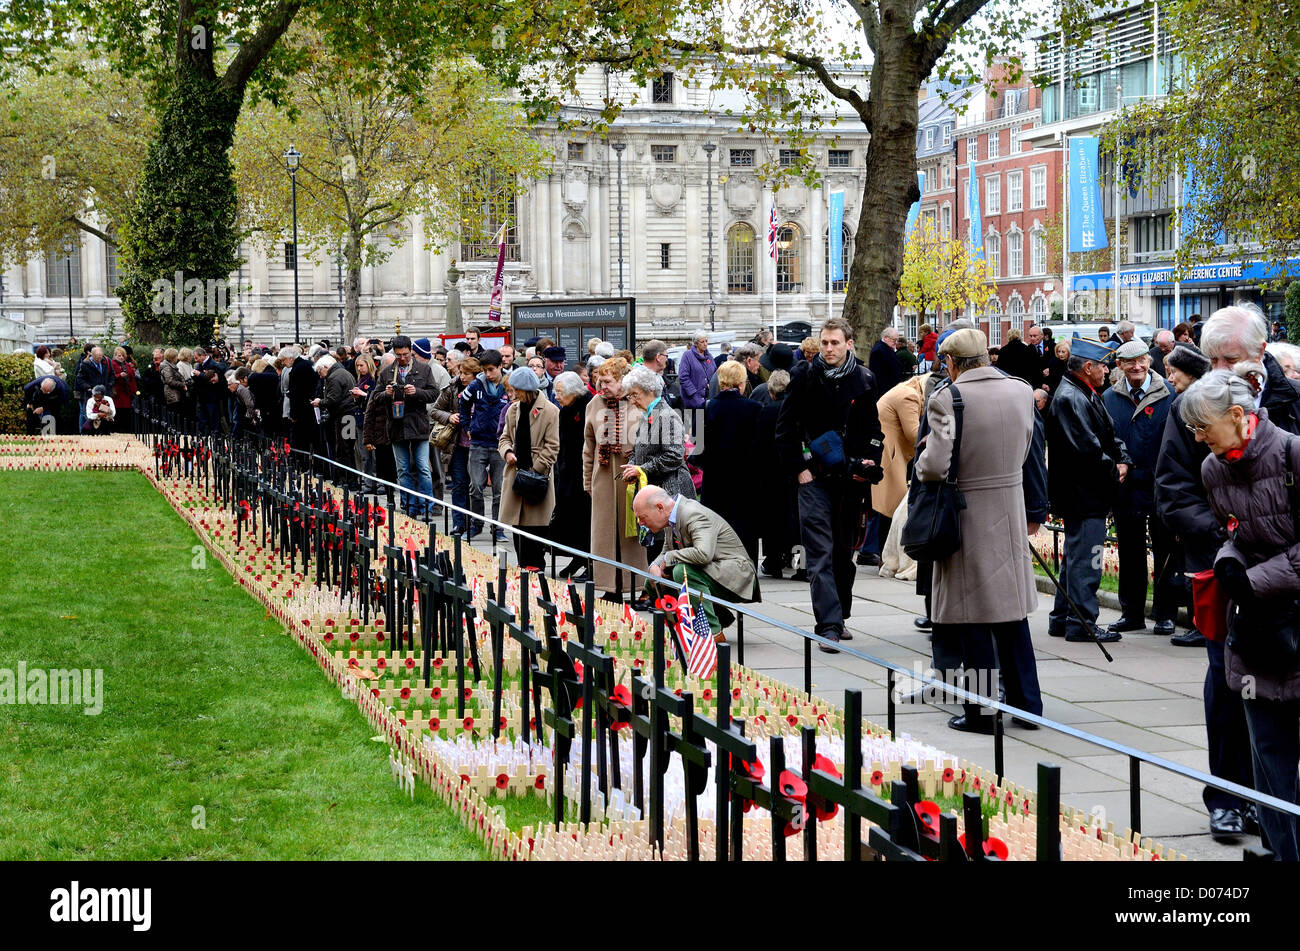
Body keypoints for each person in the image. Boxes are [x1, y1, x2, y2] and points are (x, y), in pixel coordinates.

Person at [1191, 366, 1300, 859]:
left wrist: (1253, 580)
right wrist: (1229, 563)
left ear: (1237, 415)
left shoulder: (1293, 455)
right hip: (1256, 639)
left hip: (1294, 626)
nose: (1198, 437)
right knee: (1269, 771)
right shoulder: (1213, 469)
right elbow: (1232, 534)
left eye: (1203, 427)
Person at [914, 328, 1046, 733]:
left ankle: (982, 713)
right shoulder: (1022, 391)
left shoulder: (948, 399)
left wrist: (920, 465)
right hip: (1009, 503)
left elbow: (935, 465)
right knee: (1010, 612)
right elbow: (1027, 448)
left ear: (951, 363)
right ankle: (1027, 704)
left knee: (971, 616)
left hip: (967, 511)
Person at [1154, 342, 1250, 841]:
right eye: (1215, 359)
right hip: (1219, 568)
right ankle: (1228, 796)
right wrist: (1226, 538)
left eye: (1232, 359)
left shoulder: (1283, 399)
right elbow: (1172, 489)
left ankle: (1270, 798)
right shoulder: (1190, 412)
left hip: (1282, 575)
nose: (1222, 369)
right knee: (1226, 677)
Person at [776, 316, 884, 652]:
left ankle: (840, 614)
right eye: (824, 342)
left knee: (842, 553)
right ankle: (829, 625)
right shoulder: (804, 376)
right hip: (814, 478)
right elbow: (785, 428)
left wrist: (869, 460)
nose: (829, 348)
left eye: (835, 342)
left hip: (849, 480)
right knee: (820, 553)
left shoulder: (865, 379)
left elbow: (874, 431)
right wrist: (799, 469)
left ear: (849, 344)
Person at [1045, 338, 1131, 642]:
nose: (1107, 370)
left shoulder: (1081, 392)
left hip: (1083, 492)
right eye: (1103, 365)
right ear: (1089, 367)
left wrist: (1122, 458)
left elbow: (1108, 435)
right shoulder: (1072, 397)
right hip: (1084, 493)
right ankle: (1081, 622)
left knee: (1076, 556)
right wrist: (1114, 468)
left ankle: (1063, 617)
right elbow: (1087, 448)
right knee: (1088, 558)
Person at [1102, 341, 1180, 636]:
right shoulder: (1110, 397)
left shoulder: (1169, 395)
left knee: (1165, 549)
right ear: (1119, 365)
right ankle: (1131, 613)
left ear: (1150, 361)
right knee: (1130, 551)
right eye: (1129, 362)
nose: (1136, 366)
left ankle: (1165, 614)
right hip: (1126, 487)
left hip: (1161, 485)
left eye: (1141, 360)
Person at [636, 485, 757, 641]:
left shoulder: (693, 514)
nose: (641, 523)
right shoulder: (670, 517)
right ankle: (685, 629)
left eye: (643, 517)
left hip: (738, 575)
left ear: (659, 507)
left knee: (682, 572)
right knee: (652, 582)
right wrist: (654, 566)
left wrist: (668, 559)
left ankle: (713, 633)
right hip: (714, 571)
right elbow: (666, 551)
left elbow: (703, 553)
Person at [583, 356, 650, 604]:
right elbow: (588, 446)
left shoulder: (637, 402)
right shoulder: (593, 405)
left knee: (632, 534)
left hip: (633, 478)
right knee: (604, 534)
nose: (602, 386)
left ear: (622, 380)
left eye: (608, 381)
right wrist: (587, 481)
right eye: (600, 381)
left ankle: (638, 584)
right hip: (603, 478)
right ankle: (609, 585)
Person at [622, 365, 696, 565]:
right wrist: (632, 466)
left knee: (668, 551)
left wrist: (643, 469)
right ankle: (656, 593)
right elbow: (639, 451)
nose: (633, 401)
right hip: (656, 492)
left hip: (671, 490)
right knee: (655, 550)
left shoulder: (668, 415)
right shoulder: (649, 414)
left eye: (635, 395)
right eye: (631, 396)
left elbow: (674, 455)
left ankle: (665, 594)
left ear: (650, 391)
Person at [364, 335, 438, 518]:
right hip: (396, 426)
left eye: (405, 354)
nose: (403, 358)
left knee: (423, 468)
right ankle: (410, 506)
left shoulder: (423, 369)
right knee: (403, 469)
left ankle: (427, 506)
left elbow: (434, 393)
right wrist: (387, 393)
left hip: (418, 426)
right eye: (399, 355)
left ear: (410, 351)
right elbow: (375, 398)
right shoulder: (387, 372)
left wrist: (417, 392)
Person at [700, 360, 762, 567]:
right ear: (741, 383)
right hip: (746, 477)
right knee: (745, 527)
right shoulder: (755, 408)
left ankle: (718, 566)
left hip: (715, 478)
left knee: (716, 526)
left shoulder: (706, 407)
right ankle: (747, 568)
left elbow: (697, 449)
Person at [499, 367, 560, 569]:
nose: (513, 395)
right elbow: (504, 437)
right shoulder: (512, 410)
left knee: (535, 535)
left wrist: (535, 471)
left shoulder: (551, 411)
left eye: (517, 390)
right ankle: (523, 580)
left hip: (536, 479)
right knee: (518, 533)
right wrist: (507, 452)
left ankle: (536, 580)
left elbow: (553, 446)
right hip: (515, 476)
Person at [1202, 305, 1300, 433]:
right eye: (1213, 360)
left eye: (1232, 360)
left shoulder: (1295, 398)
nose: (1219, 371)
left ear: (1259, 351)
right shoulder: (1192, 405)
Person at [872, 373, 927, 565]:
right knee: (891, 506)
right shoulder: (909, 396)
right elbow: (914, 434)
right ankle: (885, 556)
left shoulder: (903, 390)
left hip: (886, 450)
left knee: (883, 506)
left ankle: (877, 553)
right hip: (891, 453)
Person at [756, 370, 799, 579]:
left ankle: (774, 560)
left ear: (771, 392)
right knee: (796, 518)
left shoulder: (764, 413)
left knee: (773, 518)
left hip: (769, 473)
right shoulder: (797, 411)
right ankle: (799, 562)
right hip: (794, 472)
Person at [550, 371, 594, 578]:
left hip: (585, 473)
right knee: (571, 519)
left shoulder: (588, 406)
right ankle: (577, 557)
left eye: (559, 392)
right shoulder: (565, 410)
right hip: (568, 472)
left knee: (585, 520)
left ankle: (589, 562)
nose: (556, 396)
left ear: (573, 391)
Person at [462, 350, 509, 540]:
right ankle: (476, 523)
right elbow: (463, 404)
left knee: (499, 489)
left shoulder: (508, 384)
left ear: (500, 367)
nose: (488, 374)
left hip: (499, 443)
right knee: (475, 486)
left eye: (491, 370)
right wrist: (467, 425)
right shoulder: (476, 385)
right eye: (485, 370)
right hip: (479, 441)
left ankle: (498, 527)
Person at [317, 355, 359, 483]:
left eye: (320, 372)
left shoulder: (333, 377)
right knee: (348, 448)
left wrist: (320, 402)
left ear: (325, 367)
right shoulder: (343, 372)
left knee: (344, 449)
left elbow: (332, 399)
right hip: (349, 415)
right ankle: (350, 480)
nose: (320, 376)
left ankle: (348, 480)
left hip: (344, 416)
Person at [678, 331, 715, 427]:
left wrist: (712, 384)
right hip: (692, 402)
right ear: (696, 343)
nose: (705, 344)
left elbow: (715, 372)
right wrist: (694, 395)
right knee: (693, 436)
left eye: (706, 341)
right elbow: (683, 377)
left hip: (707, 401)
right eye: (702, 342)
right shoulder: (687, 355)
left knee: (704, 433)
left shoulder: (709, 356)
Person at [75, 346, 113, 433]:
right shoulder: (85, 364)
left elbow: (112, 375)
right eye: (97, 357)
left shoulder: (106, 362)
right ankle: (86, 432)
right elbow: (80, 379)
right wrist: (88, 388)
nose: (99, 359)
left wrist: (109, 385)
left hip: (104, 394)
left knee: (104, 413)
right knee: (90, 414)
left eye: (100, 356)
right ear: (92, 355)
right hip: (91, 395)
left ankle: (102, 432)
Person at [868, 326, 905, 397]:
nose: (896, 342)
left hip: (892, 390)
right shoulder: (879, 350)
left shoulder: (887, 348)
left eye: (897, 340)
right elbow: (878, 375)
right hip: (886, 392)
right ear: (885, 338)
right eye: (894, 340)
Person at [109, 345, 138, 433]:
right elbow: (109, 377)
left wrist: (135, 391)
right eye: (119, 355)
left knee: (126, 413)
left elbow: (132, 378)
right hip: (117, 393)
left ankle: (126, 431)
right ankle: (117, 431)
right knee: (118, 412)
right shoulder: (112, 364)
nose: (121, 357)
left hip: (127, 393)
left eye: (122, 355)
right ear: (115, 355)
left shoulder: (127, 364)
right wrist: (118, 376)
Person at [228, 367, 258, 439]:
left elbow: (249, 404)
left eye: (229, 384)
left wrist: (253, 417)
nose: (228, 387)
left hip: (252, 416)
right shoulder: (238, 390)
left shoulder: (241, 389)